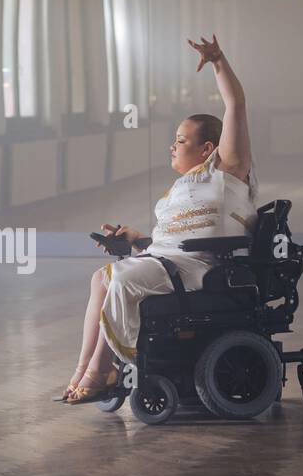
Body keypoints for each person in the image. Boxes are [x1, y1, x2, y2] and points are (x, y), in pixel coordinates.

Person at [59, 35, 259, 404]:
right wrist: (136, 239)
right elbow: (173, 244)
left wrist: (217, 61)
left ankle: (100, 370)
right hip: (171, 261)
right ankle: (86, 368)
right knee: (99, 279)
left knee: (118, 278)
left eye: (181, 141)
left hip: (203, 267)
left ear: (207, 149)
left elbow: (236, 104)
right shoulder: (182, 189)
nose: (172, 145)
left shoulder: (228, 172)